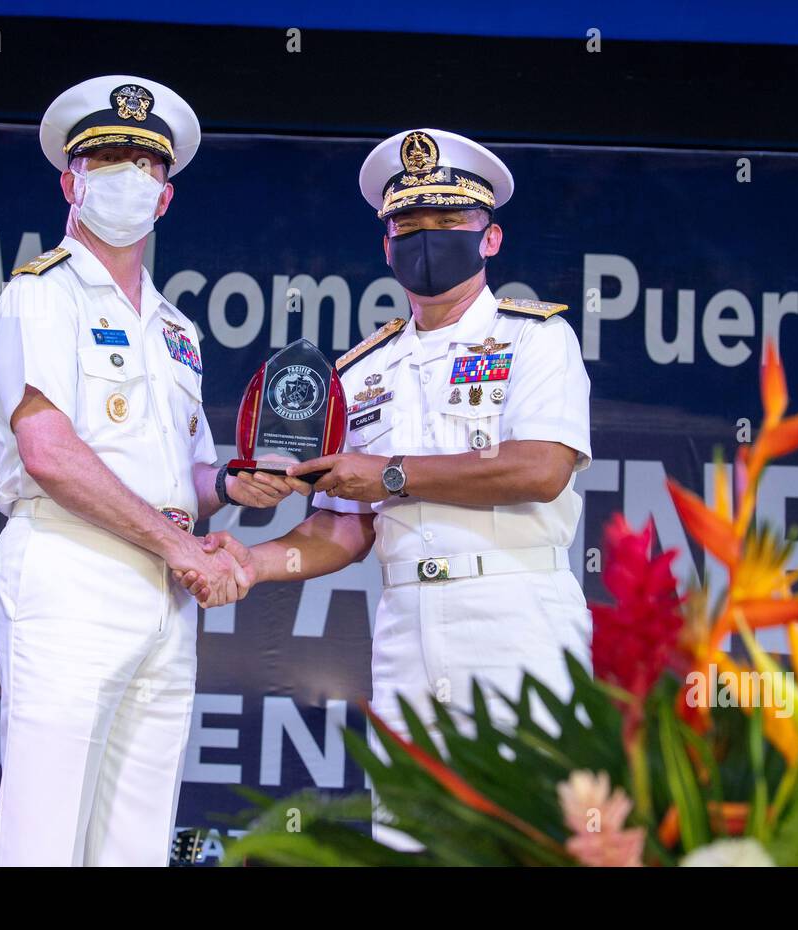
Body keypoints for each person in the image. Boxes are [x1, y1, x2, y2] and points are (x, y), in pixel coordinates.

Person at [193, 128, 594, 845]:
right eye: (408, 225)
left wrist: (393, 475)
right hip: (407, 627)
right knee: (413, 842)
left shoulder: (534, 339)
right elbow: (341, 528)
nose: (427, 239)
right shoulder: (360, 372)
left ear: (490, 238)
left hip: (518, 618)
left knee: (534, 843)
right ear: (386, 246)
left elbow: (540, 469)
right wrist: (249, 563)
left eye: (448, 223)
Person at [0, 75, 298, 866]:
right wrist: (184, 548)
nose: (126, 176)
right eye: (107, 158)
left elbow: (184, 474)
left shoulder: (178, 328)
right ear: (71, 181)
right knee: (42, 840)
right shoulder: (39, 296)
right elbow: (49, 453)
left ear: (164, 198)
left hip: (164, 589)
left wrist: (227, 490)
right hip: (71, 569)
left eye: (145, 165)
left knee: (134, 845)